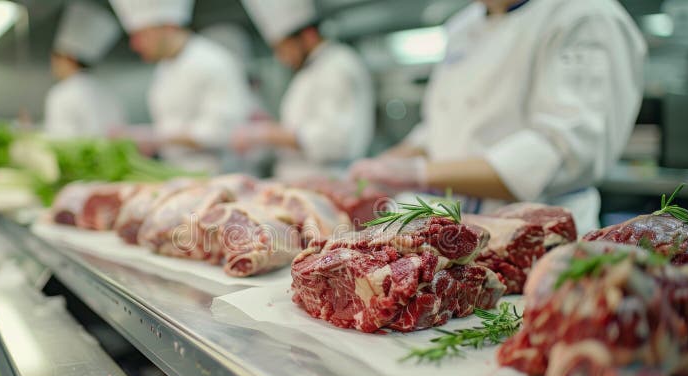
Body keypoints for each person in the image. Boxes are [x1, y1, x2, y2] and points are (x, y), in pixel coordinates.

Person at [348, 0, 647, 234]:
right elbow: (440, 128)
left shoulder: (584, 16)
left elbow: (557, 150)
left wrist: (420, 174)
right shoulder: (463, 26)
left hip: (537, 233)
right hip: (457, 224)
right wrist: (382, 166)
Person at [234, 0, 375, 181]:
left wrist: (268, 133)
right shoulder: (307, 71)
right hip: (298, 180)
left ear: (308, 35)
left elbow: (336, 141)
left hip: (328, 181)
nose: (281, 58)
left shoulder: (338, 65)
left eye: (283, 48)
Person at [109, 0, 251, 174]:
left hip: (217, 174)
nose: (135, 45)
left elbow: (222, 133)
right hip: (176, 173)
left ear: (168, 27)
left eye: (141, 34)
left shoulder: (213, 61)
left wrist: (152, 137)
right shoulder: (163, 69)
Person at [44, 1, 125, 138]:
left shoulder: (61, 93)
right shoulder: (106, 91)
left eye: (56, 58)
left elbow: (59, 139)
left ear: (70, 58)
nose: (53, 64)